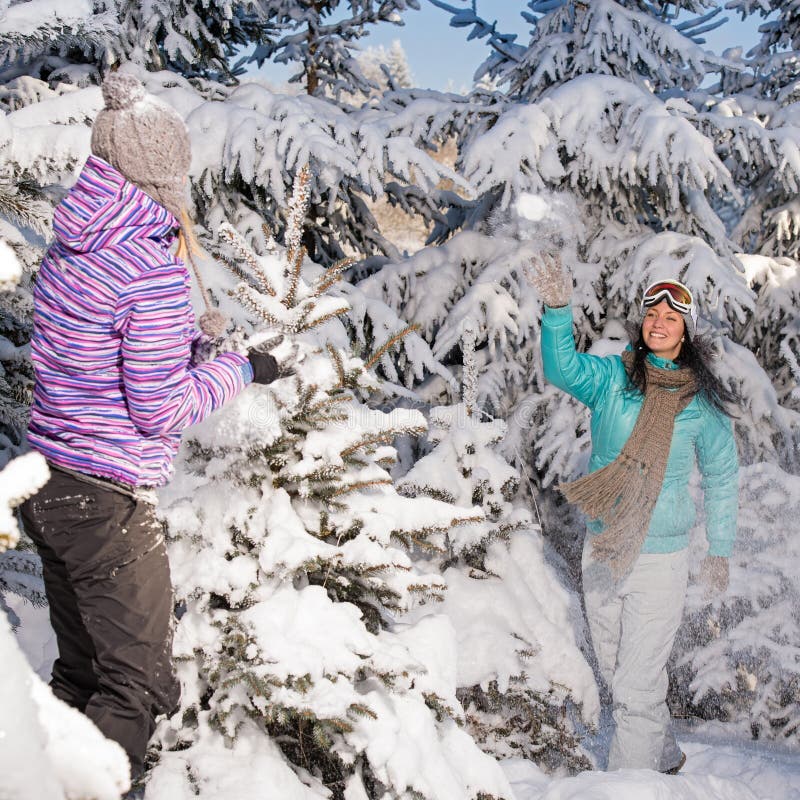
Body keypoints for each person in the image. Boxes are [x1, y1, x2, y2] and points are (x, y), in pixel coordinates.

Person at [20, 73, 281, 791]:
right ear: (167, 170)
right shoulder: (153, 273)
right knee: (134, 686)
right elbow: (161, 412)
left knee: (80, 673)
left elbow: (92, 363)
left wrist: (190, 349)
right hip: (108, 502)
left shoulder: (71, 247)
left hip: (48, 485)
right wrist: (243, 369)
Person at [528, 257, 739, 773]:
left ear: (686, 329)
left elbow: (722, 475)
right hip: (603, 547)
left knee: (635, 685)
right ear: (643, 323)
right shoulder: (612, 378)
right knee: (619, 671)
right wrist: (558, 310)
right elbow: (561, 368)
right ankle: (663, 760)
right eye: (652, 313)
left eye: (672, 315)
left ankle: (630, 786)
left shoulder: (700, 405)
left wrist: (720, 548)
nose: (660, 320)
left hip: (660, 557)